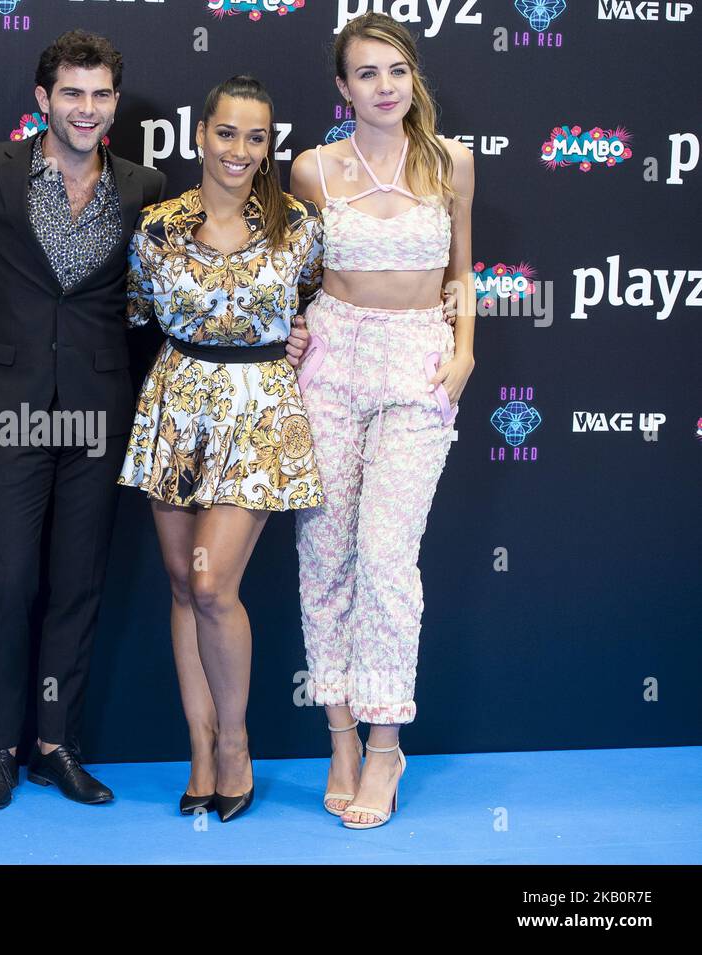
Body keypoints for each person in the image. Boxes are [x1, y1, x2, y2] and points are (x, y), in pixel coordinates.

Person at [120, 76, 326, 823]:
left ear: (269, 145)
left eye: (256, 136)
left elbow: (315, 301)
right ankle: (199, 749)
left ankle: (235, 743)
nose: (240, 150)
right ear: (200, 135)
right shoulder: (157, 226)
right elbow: (139, 309)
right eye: (228, 133)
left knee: (211, 587)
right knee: (180, 584)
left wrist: (294, 336)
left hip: (261, 411)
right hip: (178, 405)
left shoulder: (299, 224)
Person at [290, 11, 476, 829]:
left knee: (388, 555)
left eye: (396, 70)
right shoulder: (312, 171)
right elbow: (295, 275)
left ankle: (387, 740)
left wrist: (464, 351)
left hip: (417, 363)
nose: (384, 87)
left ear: (413, 78)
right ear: (342, 87)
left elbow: (463, 271)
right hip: (331, 362)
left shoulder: (451, 164)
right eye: (366, 73)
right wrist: (293, 328)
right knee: (324, 551)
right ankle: (339, 735)